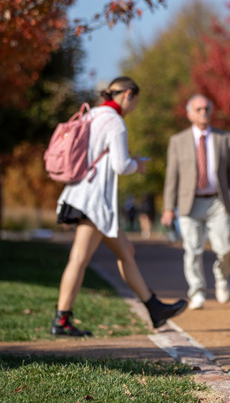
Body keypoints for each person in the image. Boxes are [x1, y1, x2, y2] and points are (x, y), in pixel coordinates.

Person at [52, 77, 187, 336]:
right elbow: (120, 165)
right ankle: (62, 320)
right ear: (127, 94)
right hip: (94, 201)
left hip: (82, 193)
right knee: (79, 258)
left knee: (126, 251)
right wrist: (139, 164)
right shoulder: (115, 122)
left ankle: (154, 308)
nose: (134, 106)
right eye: (135, 100)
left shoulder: (91, 115)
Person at [161, 95, 230, 310]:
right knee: (193, 250)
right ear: (189, 114)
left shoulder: (225, 139)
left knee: (225, 247)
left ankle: (221, 277)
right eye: (198, 109)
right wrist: (168, 207)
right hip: (189, 203)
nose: (203, 112)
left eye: (206, 108)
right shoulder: (177, 141)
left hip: (218, 201)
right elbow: (172, 177)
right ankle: (197, 292)